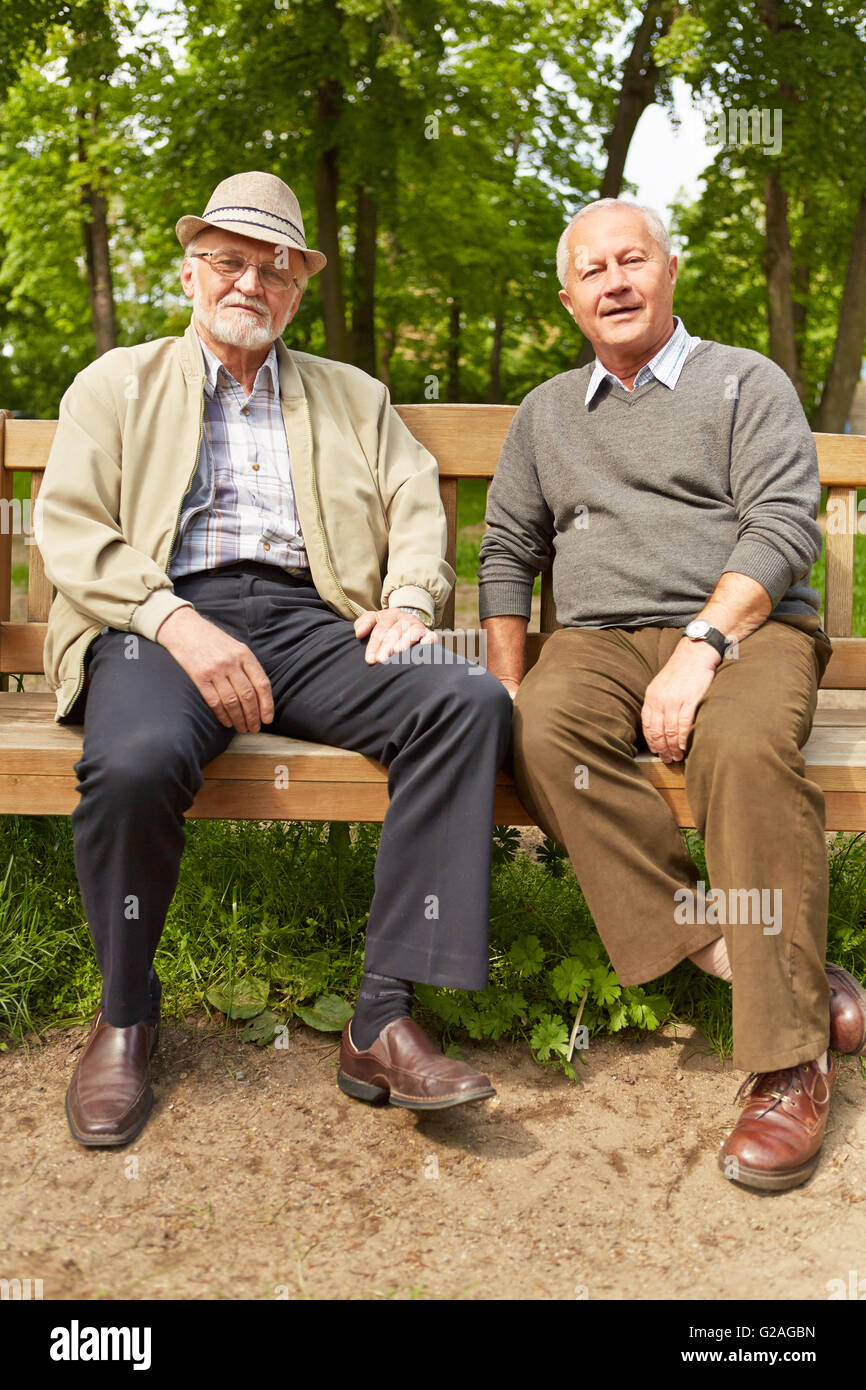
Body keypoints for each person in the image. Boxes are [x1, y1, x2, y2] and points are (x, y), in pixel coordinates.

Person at [38, 171, 512, 1147]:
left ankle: (379, 1016)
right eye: (228, 260)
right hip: (154, 618)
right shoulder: (115, 384)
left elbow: (415, 503)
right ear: (192, 270)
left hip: (313, 623)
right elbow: (71, 528)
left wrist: (410, 601)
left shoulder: (352, 395)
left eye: (273, 266)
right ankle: (126, 1011)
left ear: (297, 287)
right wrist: (171, 621)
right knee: (131, 762)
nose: (249, 281)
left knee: (463, 698)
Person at [478, 196, 866, 1192]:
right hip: (599, 640)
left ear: (669, 270)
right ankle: (736, 944)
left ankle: (788, 1063)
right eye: (591, 270)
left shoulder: (744, 382)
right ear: (567, 299)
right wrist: (501, 697)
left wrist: (700, 646)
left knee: (739, 751)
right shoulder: (545, 415)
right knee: (540, 726)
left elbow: (782, 528)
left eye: (630, 260)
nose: (613, 281)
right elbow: (507, 554)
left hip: (745, 628)